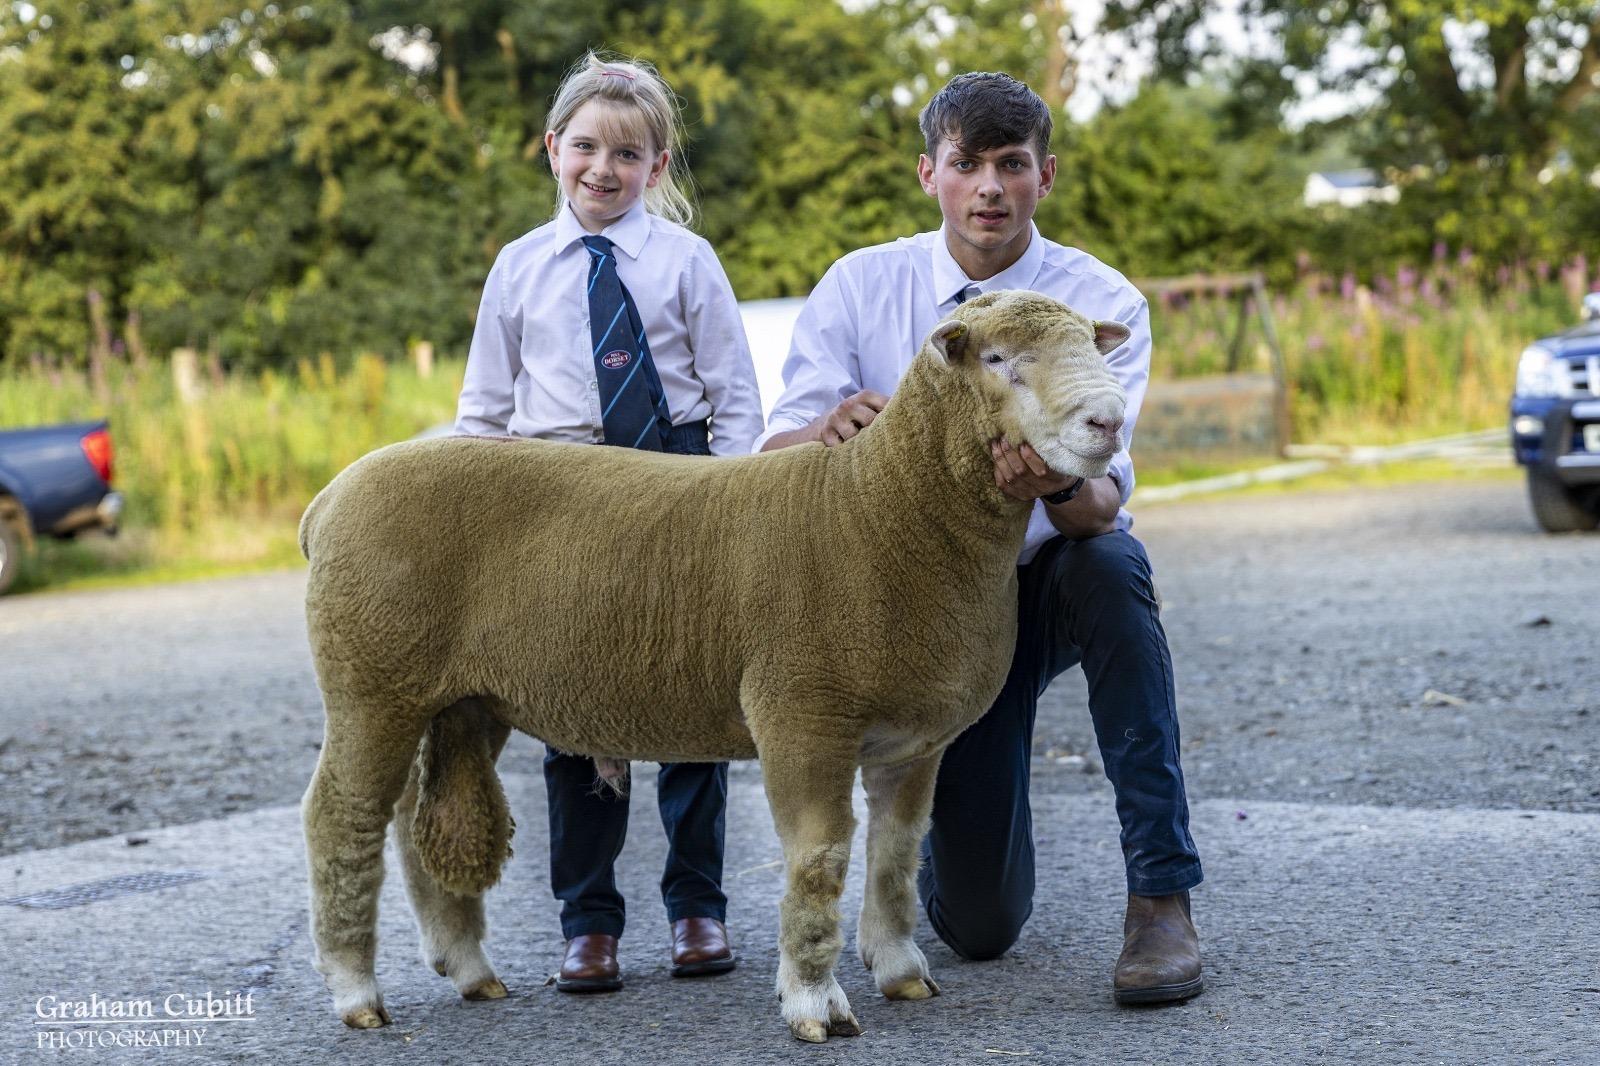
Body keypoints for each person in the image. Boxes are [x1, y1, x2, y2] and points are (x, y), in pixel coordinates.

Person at [757, 72, 1205, 1005]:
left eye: (1013, 164)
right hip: (910, 616)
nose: (990, 187)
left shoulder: (1098, 301)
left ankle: (1162, 897)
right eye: (968, 165)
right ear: (931, 173)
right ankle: (930, 857)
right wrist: (826, 428)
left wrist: (1052, 479)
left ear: (1047, 173)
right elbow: (776, 449)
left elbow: (1102, 503)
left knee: (1114, 568)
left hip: (1037, 587)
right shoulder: (862, 284)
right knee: (983, 925)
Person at [454, 52, 762, 993]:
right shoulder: (518, 268)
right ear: (552, 150)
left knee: (698, 711)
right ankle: (588, 923)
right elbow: (481, 413)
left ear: (657, 167)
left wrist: (730, 501)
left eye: (627, 153)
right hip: (558, 501)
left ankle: (696, 908)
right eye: (585, 146)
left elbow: (736, 399)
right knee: (575, 720)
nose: (603, 167)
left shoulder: (687, 261)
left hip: (677, 492)